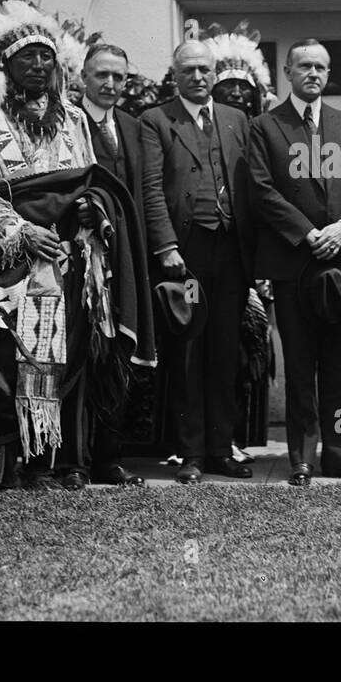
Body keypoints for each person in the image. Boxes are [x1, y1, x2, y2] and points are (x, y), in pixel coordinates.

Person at [0, 0, 155, 490]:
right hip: (14, 262)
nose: (38, 66)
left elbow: (90, 181)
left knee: (71, 356)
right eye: (26, 58)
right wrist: (18, 231)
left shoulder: (73, 118)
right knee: (22, 358)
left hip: (71, 257)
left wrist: (91, 210)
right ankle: (21, 464)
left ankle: (62, 461)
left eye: (46, 57)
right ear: (5, 66)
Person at [248, 39, 341, 486]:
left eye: (321, 67)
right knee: (300, 363)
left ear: (328, 74)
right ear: (287, 71)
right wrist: (308, 234)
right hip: (295, 262)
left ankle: (338, 452)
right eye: (304, 66)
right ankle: (301, 456)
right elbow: (263, 189)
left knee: (338, 365)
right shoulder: (265, 127)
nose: (313, 73)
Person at [139, 40, 257, 484]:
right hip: (187, 256)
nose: (198, 77)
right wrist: (166, 246)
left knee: (226, 351)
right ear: (175, 75)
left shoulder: (235, 120)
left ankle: (220, 448)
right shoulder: (157, 120)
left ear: (215, 72)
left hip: (230, 254)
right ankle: (189, 452)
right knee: (189, 349)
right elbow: (151, 187)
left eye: (205, 69)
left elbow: (251, 185)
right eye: (188, 70)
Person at [76, 40, 149, 485]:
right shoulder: (66, 121)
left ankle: (108, 458)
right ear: (83, 76)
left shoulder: (132, 126)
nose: (110, 84)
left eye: (119, 77)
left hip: (124, 257)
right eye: (101, 74)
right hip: (80, 257)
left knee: (118, 352)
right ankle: (75, 462)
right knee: (83, 353)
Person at [203, 22, 277, 458]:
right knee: (210, 345)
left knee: (249, 349)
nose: (235, 95)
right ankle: (209, 436)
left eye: (242, 90)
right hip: (214, 256)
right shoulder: (205, 133)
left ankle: (241, 436)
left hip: (258, 257)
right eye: (225, 87)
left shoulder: (264, 134)